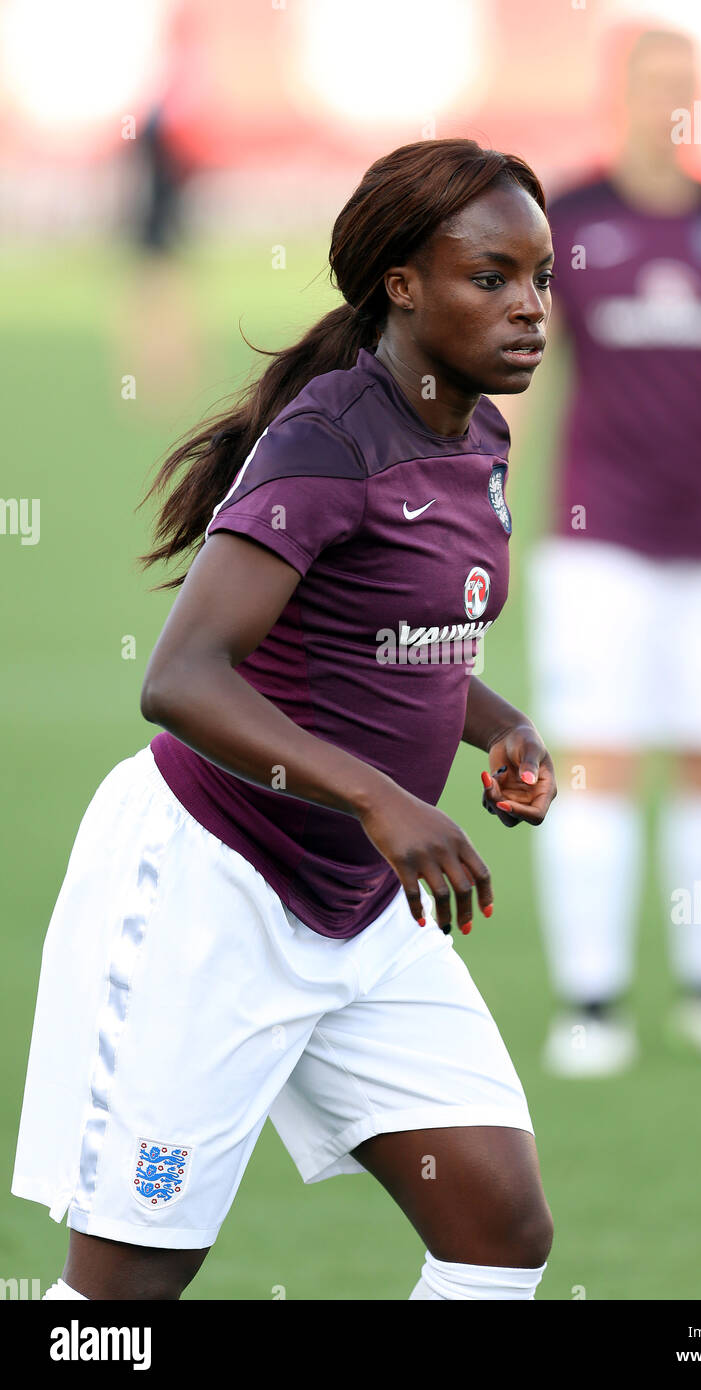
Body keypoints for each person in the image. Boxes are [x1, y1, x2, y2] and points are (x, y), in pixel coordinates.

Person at [12, 138, 558, 1300]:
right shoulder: (328, 444)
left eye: (541, 278)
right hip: (213, 888)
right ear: (401, 285)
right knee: (125, 1293)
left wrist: (502, 727)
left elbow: (398, 644)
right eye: (492, 277)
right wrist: (380, 798)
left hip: (360, 907)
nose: (530, 307)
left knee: (498, 1231)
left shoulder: (479, 438)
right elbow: (182, 678)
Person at [524, 28, 701, 1076]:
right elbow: (523, 363)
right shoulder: (569, 217)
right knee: (597, 757)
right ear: (619, 96)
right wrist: (480, 487)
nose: (669, 103)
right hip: (598, 535)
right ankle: (591, 1002)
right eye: (652, 86)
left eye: (685, 87)